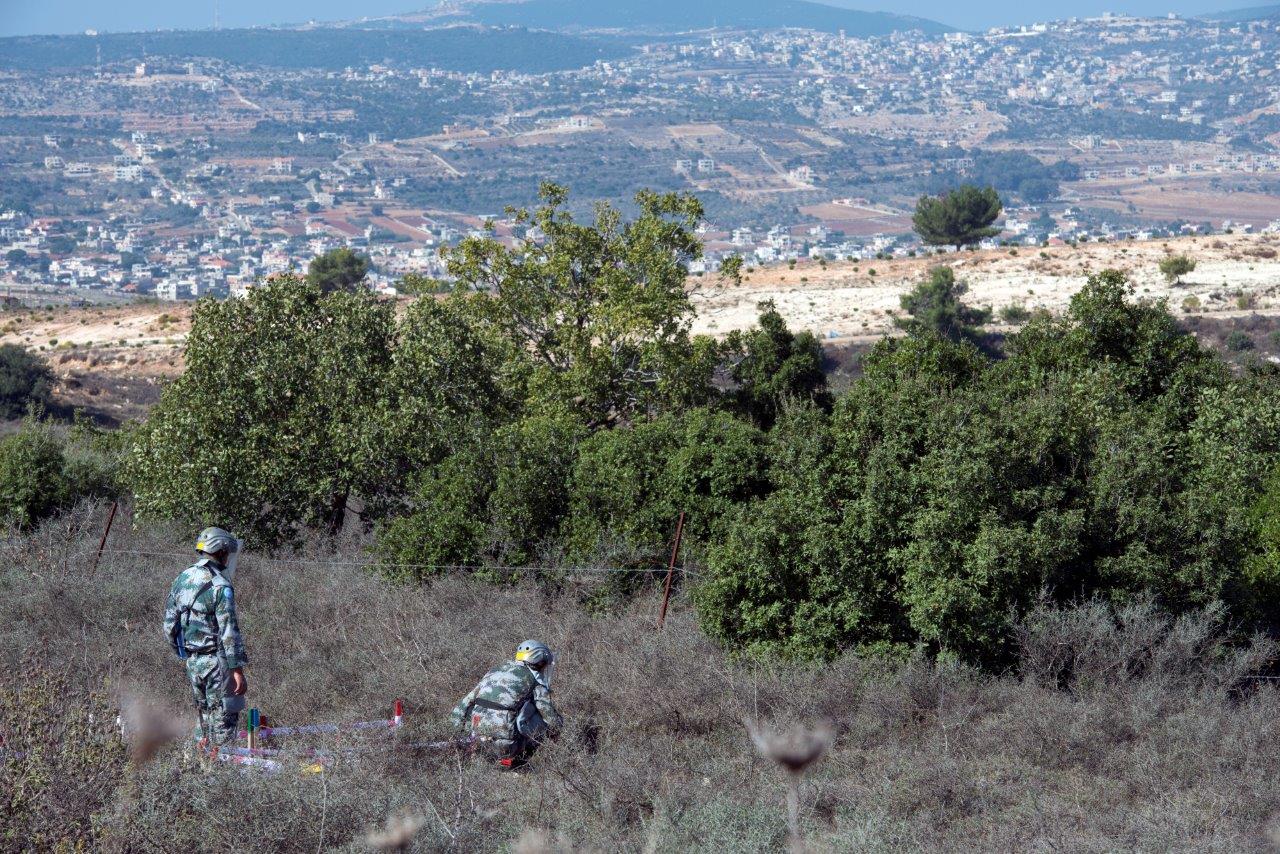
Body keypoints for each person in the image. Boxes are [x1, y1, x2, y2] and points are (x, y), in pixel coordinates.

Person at [163, 527, 249, 749]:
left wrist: (184, 653)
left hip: (193, 662)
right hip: (217, 663)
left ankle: (200, 771)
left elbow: (169, 625)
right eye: (227, 552)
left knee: (202, 721)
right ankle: (222, 774)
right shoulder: (221, 586)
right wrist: (237, 670)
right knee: (223, 721)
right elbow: (229, 632)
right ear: (220, 551)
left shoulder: (182, 579)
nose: (228, 556)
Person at [450, 639, 563, 768]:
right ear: (539, 661)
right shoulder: (535, 682)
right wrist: (558, 735)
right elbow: (550, 717)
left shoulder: (494, 672)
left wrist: (456, 736)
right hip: (508, 745)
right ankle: (518, 764)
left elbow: (463, 705)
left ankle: (484, 760)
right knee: (540, 719)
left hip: (476, 739)